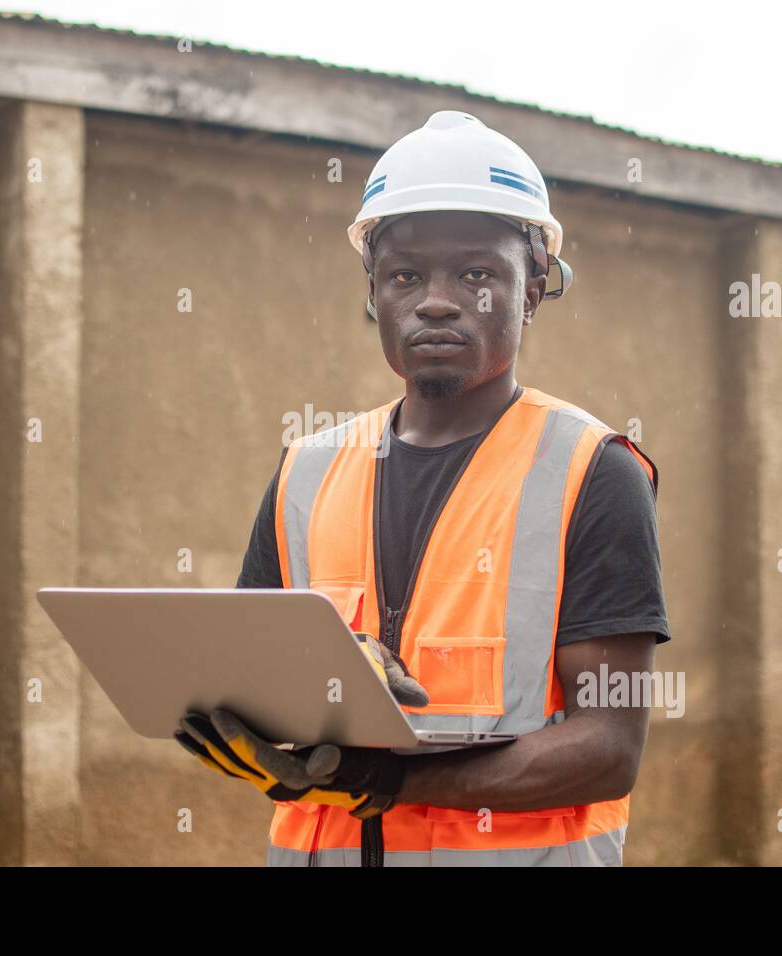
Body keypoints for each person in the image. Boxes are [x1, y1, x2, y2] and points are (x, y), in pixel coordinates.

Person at [175, 110, 670, 867]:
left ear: (533, 288)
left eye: (476, 273)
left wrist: (394, 781)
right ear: (373, 293)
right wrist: (241, 726)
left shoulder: (592, 470)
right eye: (405, 274)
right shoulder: (305, 471)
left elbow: (609, 748)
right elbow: (260, 687)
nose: (436, 300)